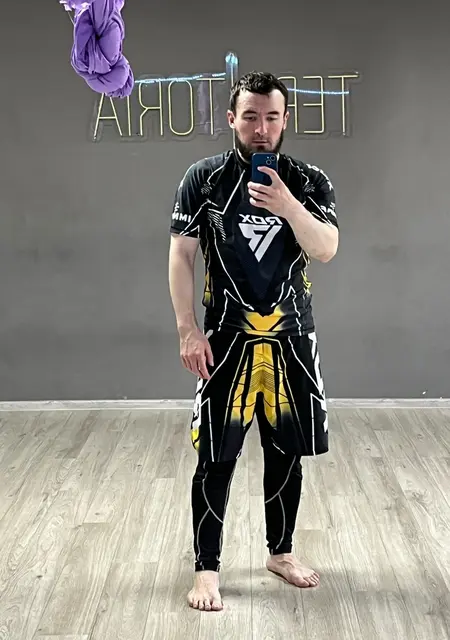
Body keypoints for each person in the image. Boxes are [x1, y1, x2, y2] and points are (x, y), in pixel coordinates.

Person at [168, 71, 339, 612]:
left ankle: (280, 553)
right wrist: (187, 328)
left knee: (287, 453)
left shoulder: (309, 181)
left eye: (271, 117)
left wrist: (288, 205)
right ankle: (206, 571)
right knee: (215, 456)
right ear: (231, 119)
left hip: (292, 337)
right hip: (225, 337)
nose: (260, 128)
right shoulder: (204, 179)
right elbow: (181, 254)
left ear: (285, 120)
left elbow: (326, 248)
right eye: (250, 117)